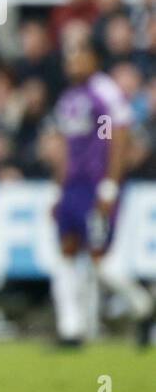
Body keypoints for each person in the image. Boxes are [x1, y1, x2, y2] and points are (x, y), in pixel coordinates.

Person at [49, 39, 153, 346]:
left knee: (100, 259)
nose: (72, 62)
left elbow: (119, 139)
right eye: (70, 56)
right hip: (73, 187)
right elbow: (65, 147)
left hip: (96, 185)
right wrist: (59, 189)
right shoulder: (68, 96)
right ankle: (71, 329)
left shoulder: (105, 92)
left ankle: (142, 304)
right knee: (66, 252)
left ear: (94, 58)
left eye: (79, 54)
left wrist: (110, 185)